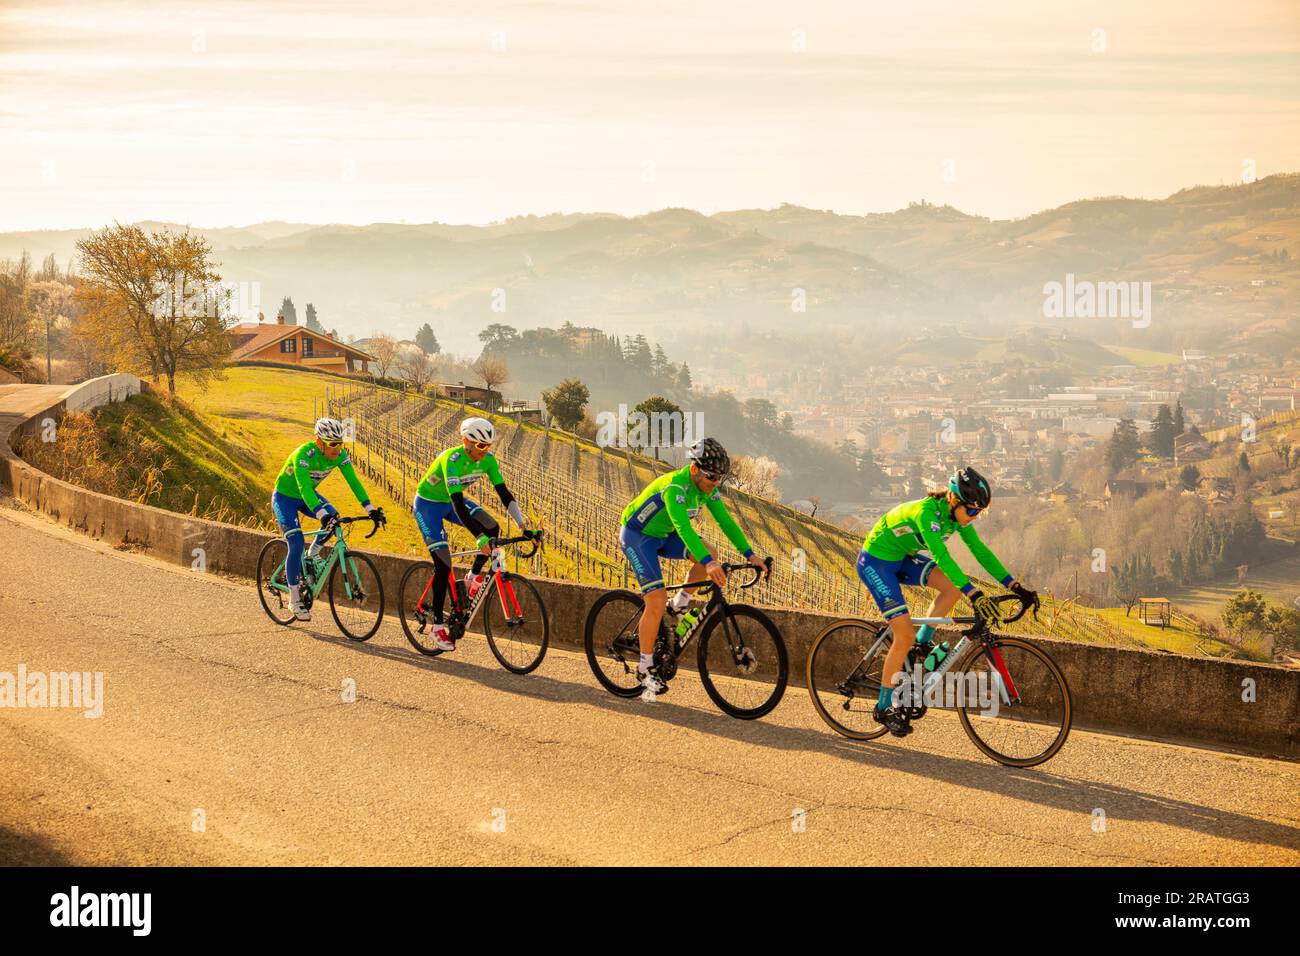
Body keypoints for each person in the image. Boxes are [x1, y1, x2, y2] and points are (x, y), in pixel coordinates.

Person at [856, 465, 1035, 736]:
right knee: (903, 635)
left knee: (951, 588)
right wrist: (973, 593)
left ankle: (922, 643)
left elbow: (981, 552)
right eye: (972, 511)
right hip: (877, 561)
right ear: (953, 499)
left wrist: (1015, 585)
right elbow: (942, 558)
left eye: (979, 512)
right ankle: (883, 707)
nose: (974, 517)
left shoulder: (955, 518)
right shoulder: (927, 513)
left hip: (902, 557)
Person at [619, 436, 769, 700]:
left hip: (664, 535)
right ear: (695, 469)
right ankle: (644, 667)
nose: (716, 483)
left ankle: (680, 604)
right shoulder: (675, 488)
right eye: (712, 476)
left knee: (710, 551)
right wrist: (708, 565)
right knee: (655, 599)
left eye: (720, 478)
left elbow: (727, 523)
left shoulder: (707, 489)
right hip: (638, 536)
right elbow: (684, 528)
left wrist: (750, 554)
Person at [412, 416, 539, 651]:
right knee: (444, 565)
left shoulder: (488, 461)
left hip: (449, 503)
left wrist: (524, 526)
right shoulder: (452, 460)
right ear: (465, 441)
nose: (484, 451)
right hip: (428, 505)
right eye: (480, 446)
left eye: (488, 446)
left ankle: (472, 576)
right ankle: (437, 627)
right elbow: (459, 506)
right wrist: (478, 538)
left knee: (492, 528)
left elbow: (504, 494)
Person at [272, 417, 386, 621]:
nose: (337, 448)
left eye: (340, 443)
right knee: (296, 542)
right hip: (285, 498)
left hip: (307, 497)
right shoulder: (304, 455)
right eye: (332, 444)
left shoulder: (340, 456)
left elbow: (353, 481)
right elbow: (304, 488)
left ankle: (313, 553)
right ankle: (294, 598)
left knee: (335, 518)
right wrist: (320, 513)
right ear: (319, 442)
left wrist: (369, 508)